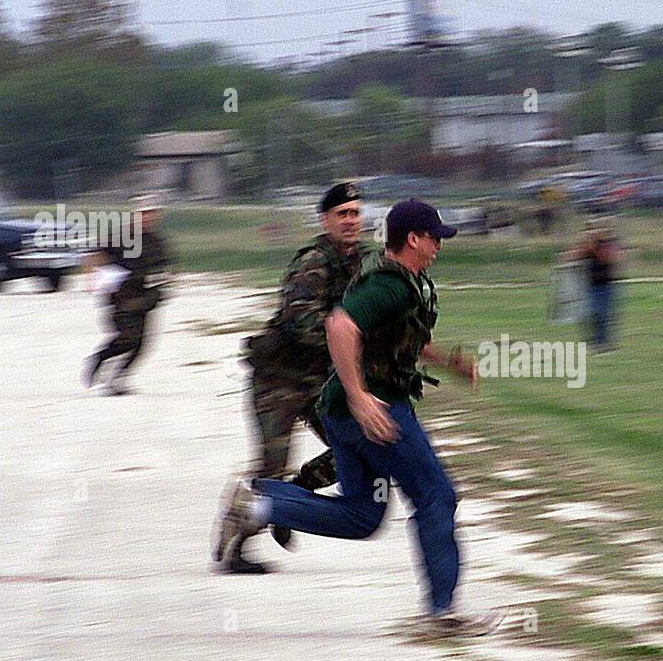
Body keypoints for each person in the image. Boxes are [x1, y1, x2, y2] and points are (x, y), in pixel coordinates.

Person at [212, 199, 497, 637]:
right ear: (413, 239)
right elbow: (341, 326)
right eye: (435, 237)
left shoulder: (404, 281)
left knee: (361, 516)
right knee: (437, 496)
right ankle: (442, 613)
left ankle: (259, 504)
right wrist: (361, 397)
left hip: (344, 411)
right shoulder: (391, 284)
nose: (440, 245)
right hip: (375, 410)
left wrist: (449, 363)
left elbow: (392, 337)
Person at [225, 182, 369, 573]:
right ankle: (234, 549)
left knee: (352, 451)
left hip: (320, 381)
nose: (351, 221)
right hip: (280, 379)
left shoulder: (361, 263)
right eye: (343, 214)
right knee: (272, 463)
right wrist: (351, 344)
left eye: (356, 213)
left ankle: (290, 500)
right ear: (325, 221)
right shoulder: (313, 263)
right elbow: (302, 322)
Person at [83, 194, 174, 395]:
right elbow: (95, 254)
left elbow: (165, 266)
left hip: (146, 297)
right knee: (127, 338)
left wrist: (166, 281)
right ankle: (99, 359)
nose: (148, 218)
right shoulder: (121, 236)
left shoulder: (156, 241)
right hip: (122, 296)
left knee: (142, 344)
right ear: (135, 215)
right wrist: (92, 279)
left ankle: (117, 380)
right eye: (144, 214)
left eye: (152, 214)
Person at [566, 220, 622, 352]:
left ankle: (602, 342)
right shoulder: (586, 248)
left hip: (605, 286)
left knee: (603, 315)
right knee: (592, 315)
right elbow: (571, 257)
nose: (593, 236)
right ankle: (597, 341)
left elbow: (610, 259)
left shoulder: (606, 247)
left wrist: (593, 247)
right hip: (590, 286)